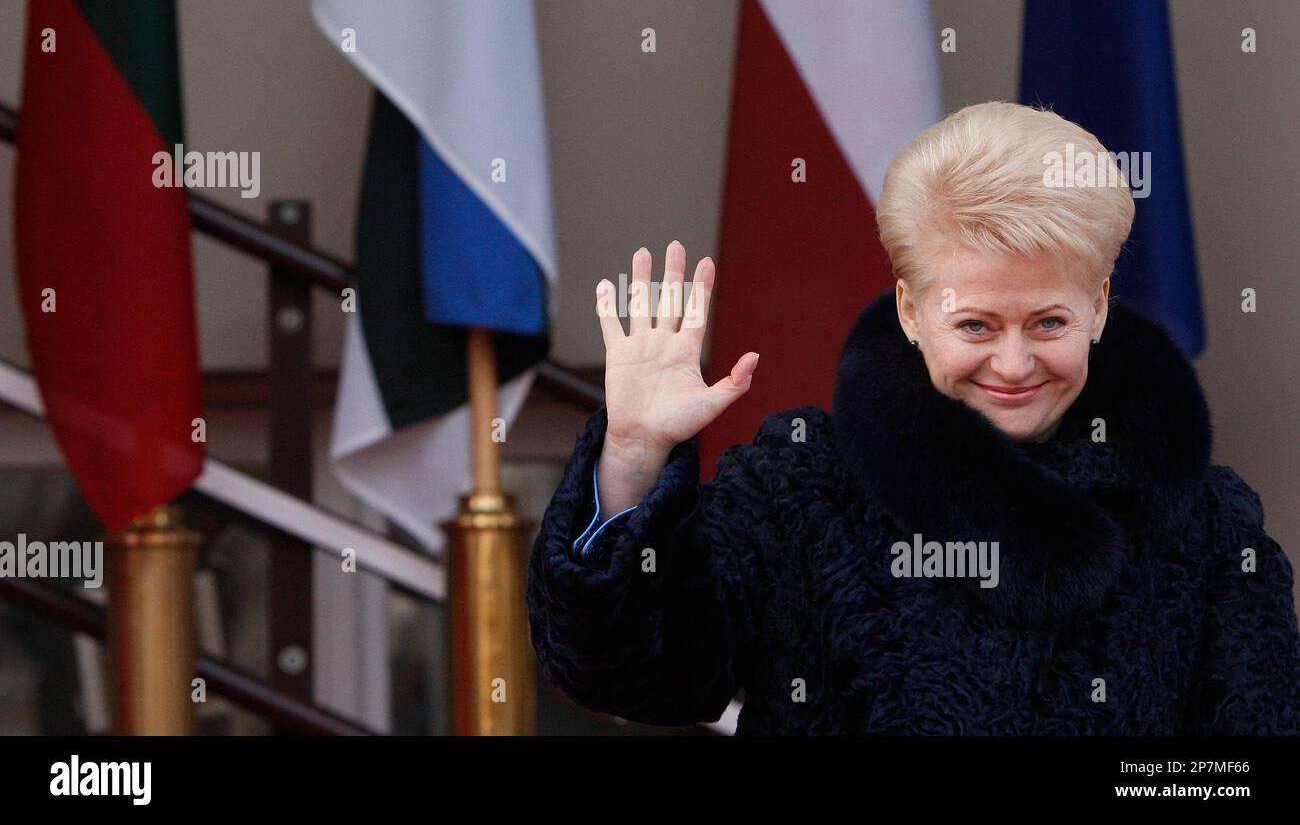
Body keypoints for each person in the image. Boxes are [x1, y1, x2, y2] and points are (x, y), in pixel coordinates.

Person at [526, 101, 1300, 734]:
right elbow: (638, 676)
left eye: (1048, 324)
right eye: (975, 326)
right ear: (910, 310)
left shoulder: (1208, 525)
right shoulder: (799, 490)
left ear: (1098, 308)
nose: (1012, 363)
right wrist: (630, 455)